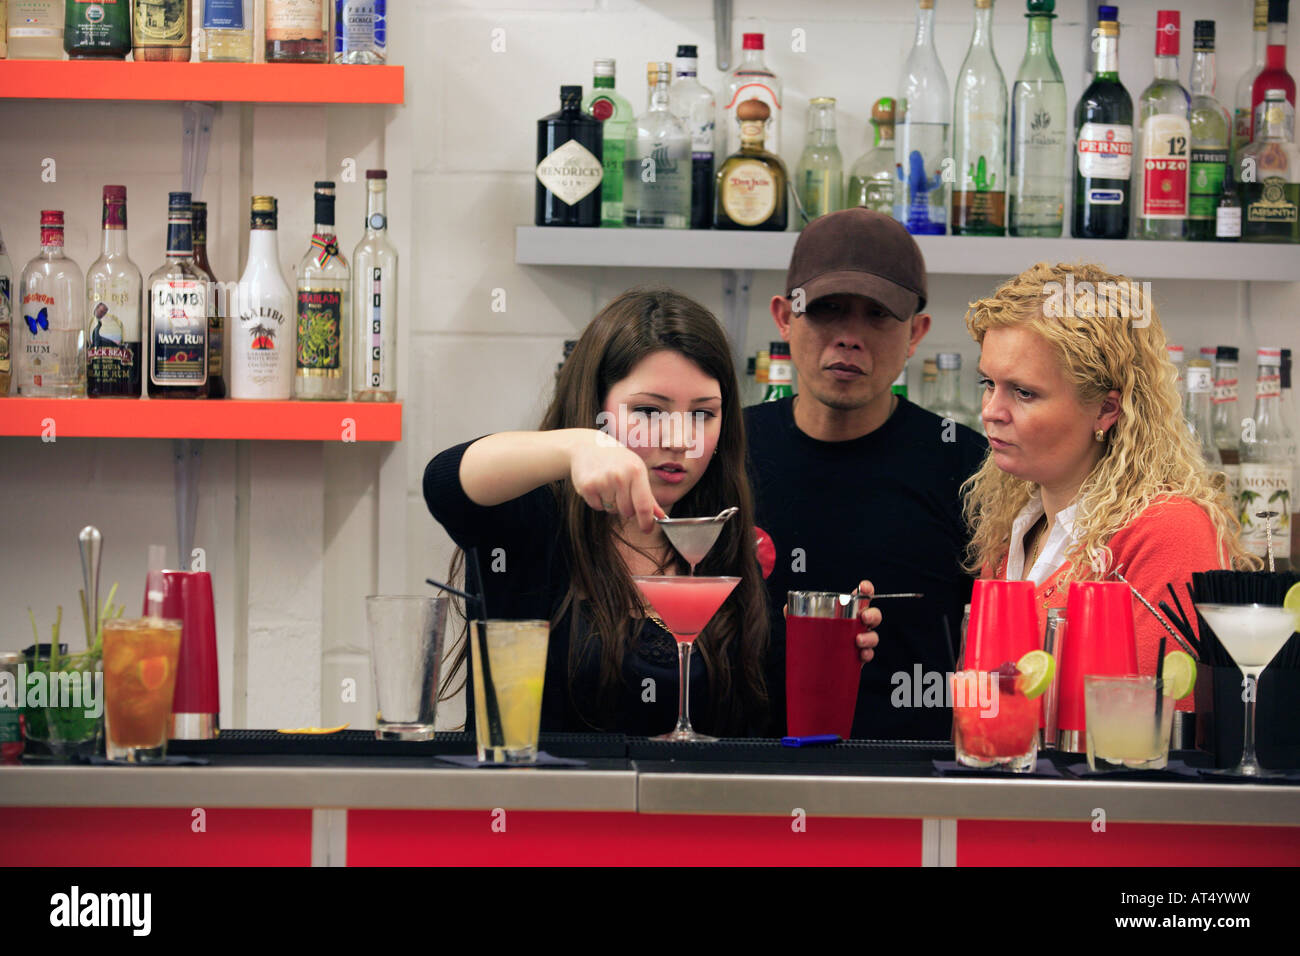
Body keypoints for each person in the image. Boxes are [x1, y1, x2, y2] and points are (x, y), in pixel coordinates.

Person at [423, 288, 876, 738]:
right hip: (539, 806)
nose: (680, 438)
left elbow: (760, 728)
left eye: (703, 415)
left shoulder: (726, 538)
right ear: (596, 406)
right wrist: (578, 445)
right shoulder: (535, 516)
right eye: (648, 411)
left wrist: (831, 656)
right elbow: (444, 482)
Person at [746, 209, 987, 739]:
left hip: (916, 789)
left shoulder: (972, 470)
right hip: (741, 776)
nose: (850, 337)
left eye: (877, 315)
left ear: (916, 332)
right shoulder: (725, 453)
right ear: (785, 317)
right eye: (827, 310)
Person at [963, 261, 1255, 695]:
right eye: (989, 383)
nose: (991, 411)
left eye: (1024, 392)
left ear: (1106, 410)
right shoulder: (1015, 525)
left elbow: (1158, 725)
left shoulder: (1168, 532)